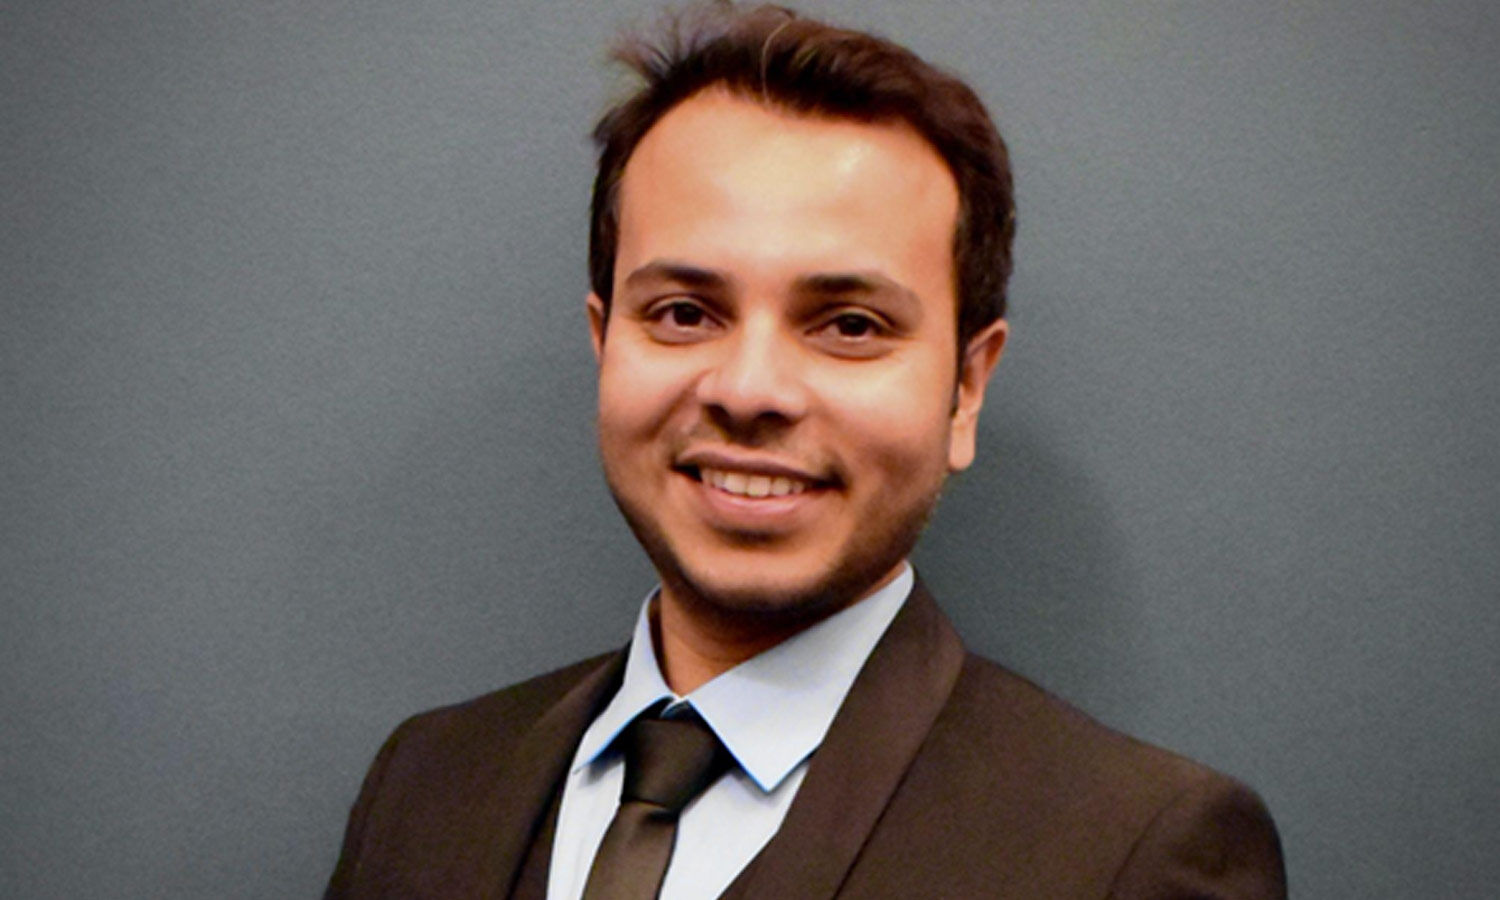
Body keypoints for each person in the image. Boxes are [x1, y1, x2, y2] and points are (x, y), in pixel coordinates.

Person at [324, 4, 1286, 898]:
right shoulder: (426, 785)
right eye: (684, 313)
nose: (750, 391)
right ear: (604, 341)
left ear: (965, 390)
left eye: (850, 325)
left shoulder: (1131, 852)